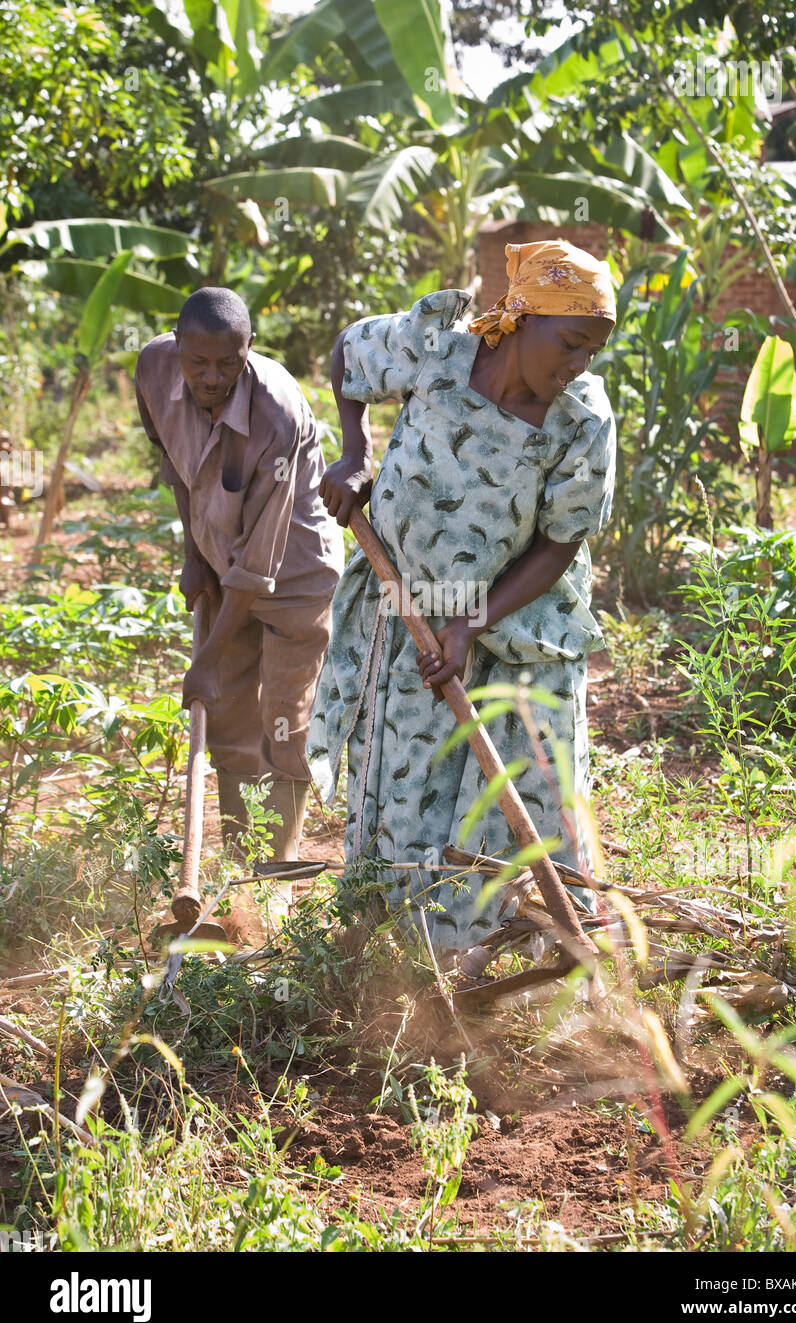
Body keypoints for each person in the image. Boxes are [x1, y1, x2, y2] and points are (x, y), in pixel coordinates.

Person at [307, 240, 618, 951]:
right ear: (519, 315)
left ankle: (517, 958)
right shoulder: (437, 350)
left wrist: (471, 624)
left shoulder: (582, 417)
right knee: (409, 790)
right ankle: (400, 960)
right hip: (409, 618)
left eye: (591, 353)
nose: (576, 366)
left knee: (514, 811)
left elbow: (560, 543)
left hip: (514, 635)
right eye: (569, 343)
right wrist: (355, 456)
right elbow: (349, 357)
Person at [135, 287, 344, 861]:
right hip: (223, 560)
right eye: (198, 361)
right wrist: (194, 555)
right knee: (227, 719)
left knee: (285, 722)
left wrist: (204, 661)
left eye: (228, 362)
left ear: (249, 349)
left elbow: (259, 567)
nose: (212, 376)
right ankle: (235, 869)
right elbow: (175, 464)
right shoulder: (154, 366)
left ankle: (273, 871)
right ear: (177, 346)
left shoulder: (275, 412)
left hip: (296, 575)